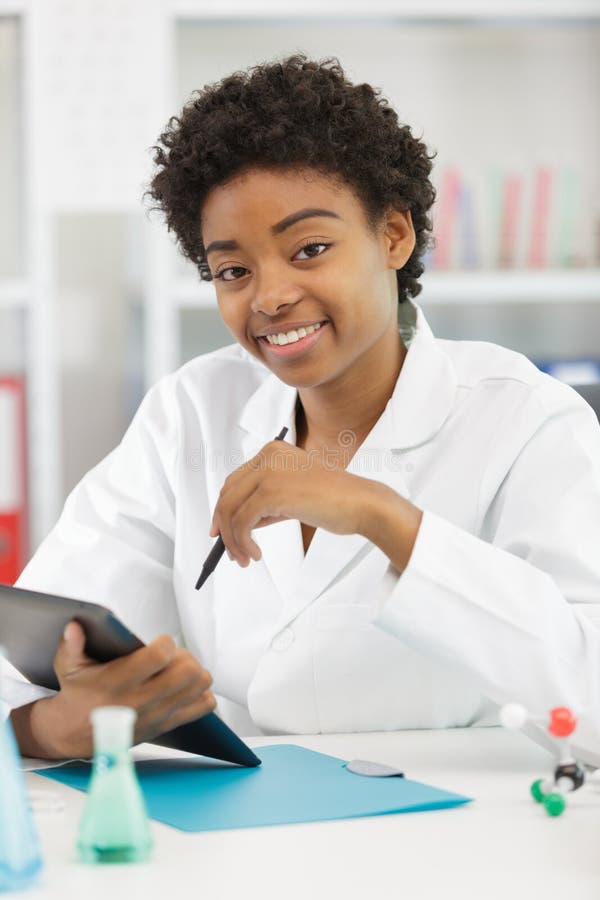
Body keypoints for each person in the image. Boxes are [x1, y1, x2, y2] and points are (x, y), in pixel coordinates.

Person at [6, 54, 600, 763]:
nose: (269, 296)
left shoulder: (529, 421)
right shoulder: (192, 412)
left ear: (394, 236)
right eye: (233, 270)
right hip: (242, 820)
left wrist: (383, 517)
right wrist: (53, 727)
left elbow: (589, 700)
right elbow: (34, 646)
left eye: (310, 249)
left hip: (470, 819)